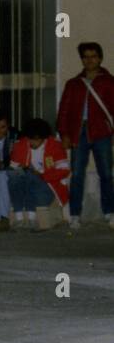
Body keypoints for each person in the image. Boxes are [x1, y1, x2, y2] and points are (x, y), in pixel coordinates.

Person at [56, 41, 114, 228]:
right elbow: (63, 111)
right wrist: (64, 133)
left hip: (101, 132)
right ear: (82, 59)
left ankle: (109, 212)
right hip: (78, 132)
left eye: (93, 56)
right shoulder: (73, 84)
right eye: (86, 57)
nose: (89, 60)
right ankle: (74, 214)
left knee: (106, 173)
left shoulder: (109, 81)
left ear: (100, 58)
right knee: (77, 174)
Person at [7, 118, 70, 231]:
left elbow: (64, 170)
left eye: (37, 140)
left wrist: (41, 175)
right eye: (30, 139)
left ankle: (32, 218)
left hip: (46, 190)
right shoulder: (20, 145)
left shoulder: (55, 145)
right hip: (24, 188)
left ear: (44, 138)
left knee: (29, 175)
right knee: (14, 175)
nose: (33, 143)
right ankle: (19, 218)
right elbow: (13, 169)